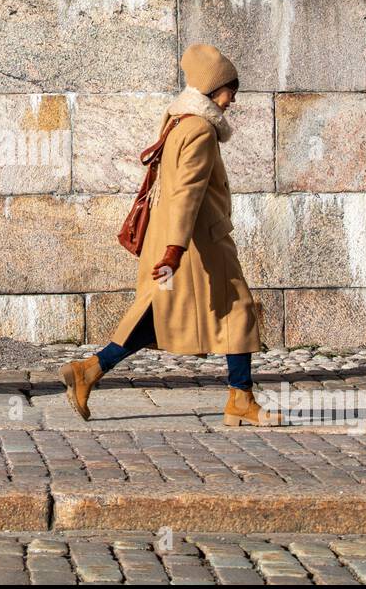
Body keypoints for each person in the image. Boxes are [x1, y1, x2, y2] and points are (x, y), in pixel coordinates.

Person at [59, 44, 281, 427]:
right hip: (198, 245)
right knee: (238, 311)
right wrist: (175, 250)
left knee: (155, 314)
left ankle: (91, 370)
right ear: (213, 89)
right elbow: (187, 194)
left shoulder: (179, 122)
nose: (232, 100)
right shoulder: (200, 130)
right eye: (230, 90)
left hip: (178, 242)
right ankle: (240, 400)